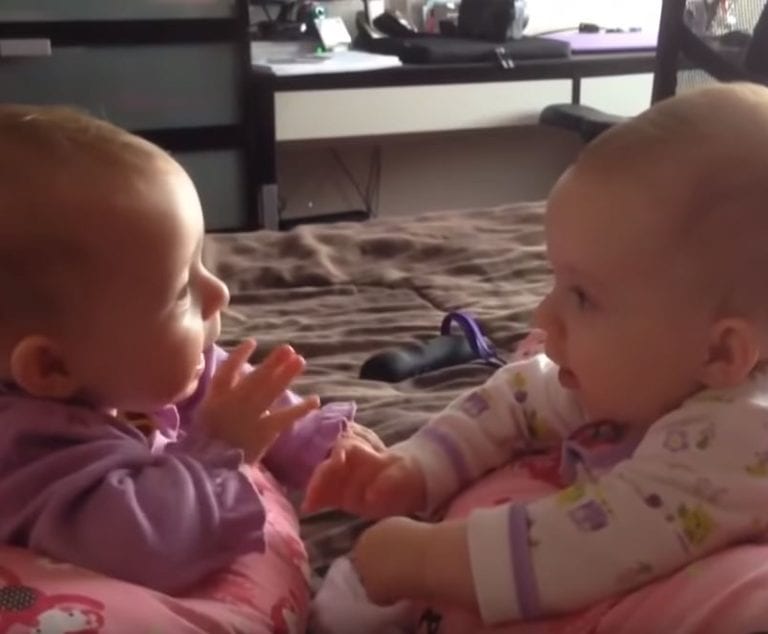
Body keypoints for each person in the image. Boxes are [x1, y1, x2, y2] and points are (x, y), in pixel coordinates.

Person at [305, 82, 768, 631]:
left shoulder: (742, 431)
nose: (542, 318)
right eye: (556, 282)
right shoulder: (650, 373)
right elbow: (519, 394)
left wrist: (426, 559)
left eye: (583, 297)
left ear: (719, 351)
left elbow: (596, 543)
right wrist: (416, 465)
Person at [0, 104, 381, 608]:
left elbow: (217, 383)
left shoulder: (115, 361)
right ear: (52, 368)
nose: (220, 292)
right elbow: (146, 545)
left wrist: (317, 443)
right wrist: (220, 448)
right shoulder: (30, 452)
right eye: (182, 291)